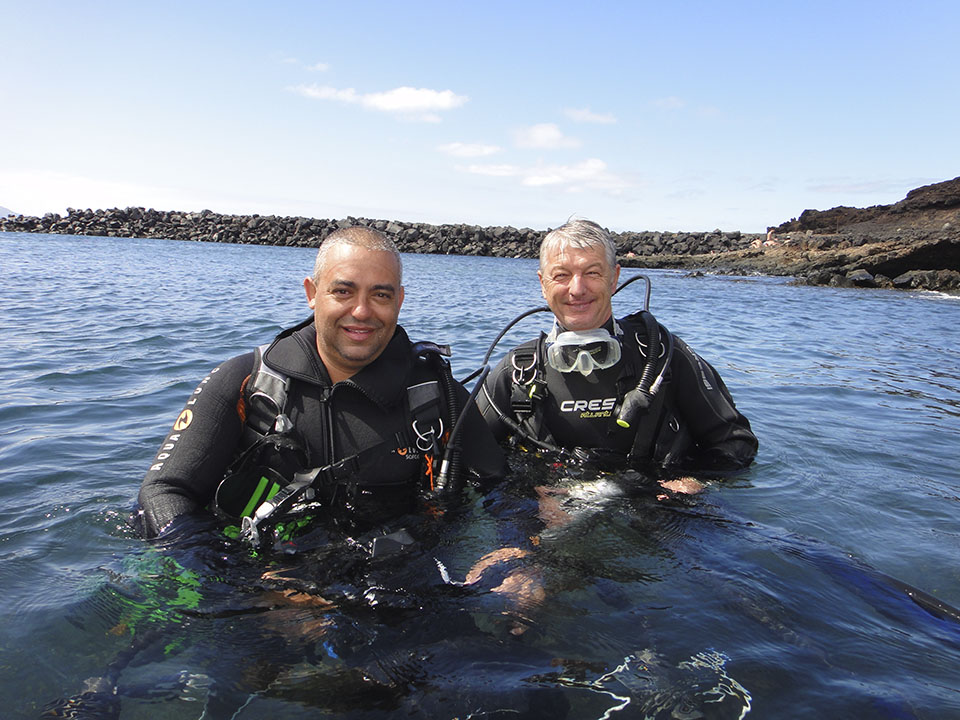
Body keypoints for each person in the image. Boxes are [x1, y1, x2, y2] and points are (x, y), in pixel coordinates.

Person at [135, 226, 507, 544]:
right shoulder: (247, 381)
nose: (361, 311)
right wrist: (234, 584)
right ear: (312, 293)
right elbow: (163, 492)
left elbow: (503, 493)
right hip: (254, 586)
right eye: (343, 292)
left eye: (380, 295)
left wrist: (512, 556)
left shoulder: (438, 396)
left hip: (399, 589)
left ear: (400, 300)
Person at [477, 218, 757, 495]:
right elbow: (469, 462)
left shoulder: (660, 356)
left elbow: (737, 443)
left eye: (593, 273)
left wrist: (693, 481)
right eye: (561, 275)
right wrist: (525, 511)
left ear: (614, 279)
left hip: (661, 514)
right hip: (552, 520)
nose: (577, 289)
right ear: (543, 283)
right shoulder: (518, 372)